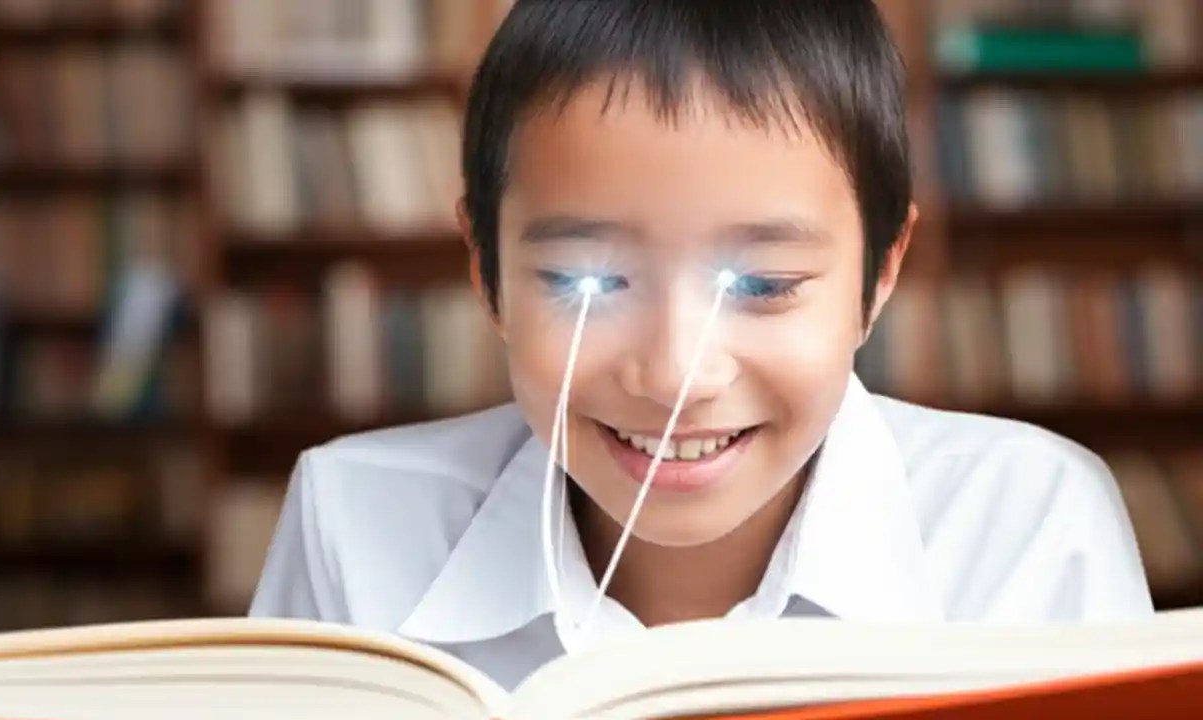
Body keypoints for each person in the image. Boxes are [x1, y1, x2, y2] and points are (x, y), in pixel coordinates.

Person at [250, 0, 1153, 691]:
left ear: (879, 276)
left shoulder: (1026, 531)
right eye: (586, 283)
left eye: (760, 287)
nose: (675, 373)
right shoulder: (353, 529)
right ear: (485, 272)